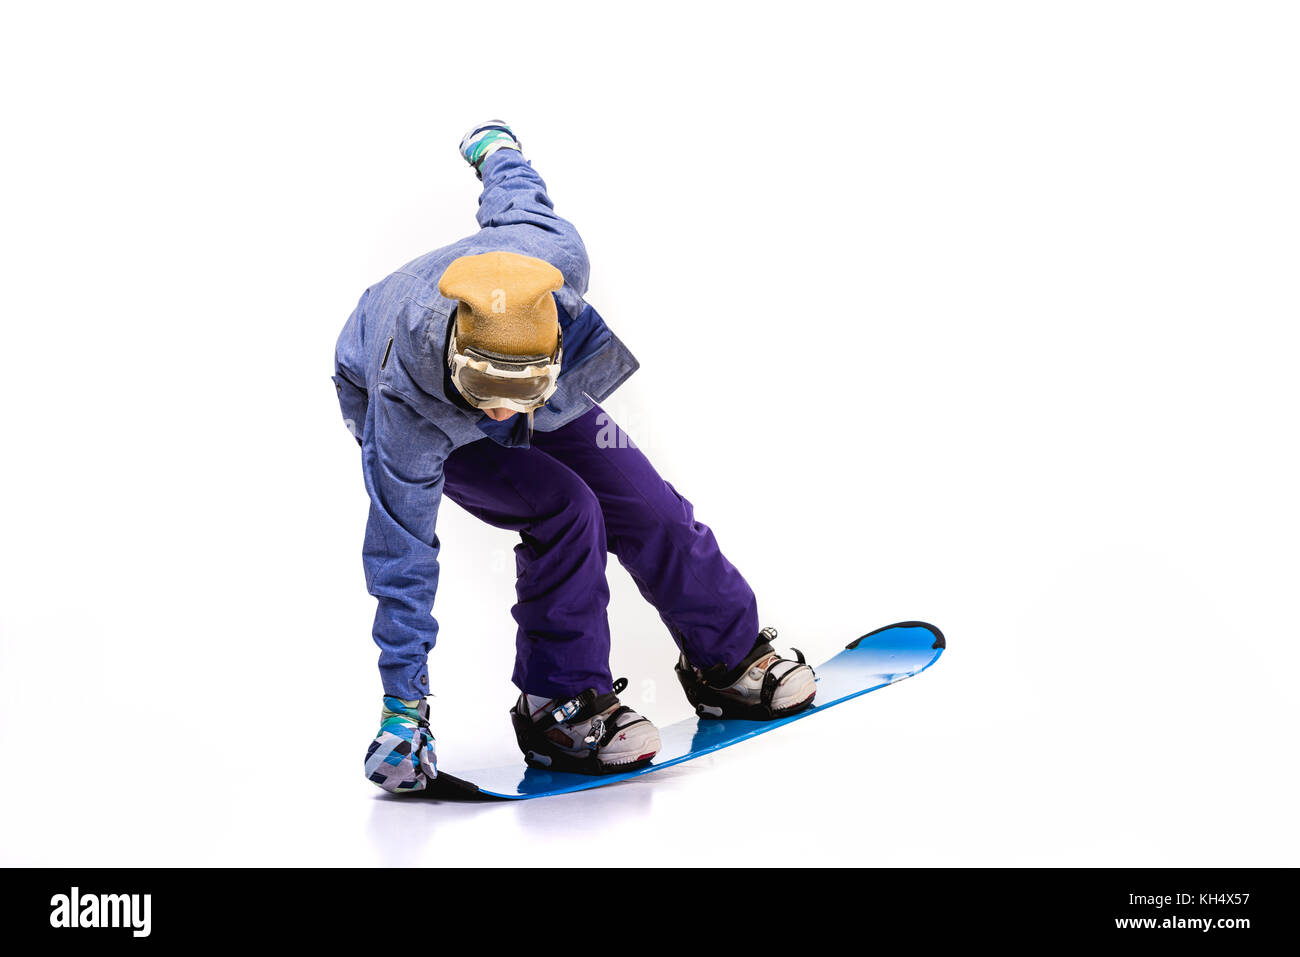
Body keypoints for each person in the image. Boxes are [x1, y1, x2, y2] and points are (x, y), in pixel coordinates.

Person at [333, 121, 816, 794]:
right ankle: (556, 707)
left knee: (645, 502)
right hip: (424, 399)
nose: (502, 416)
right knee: (566, 509)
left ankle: (729, 660)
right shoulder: (406, 408)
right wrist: (403, 707)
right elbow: (401, 556)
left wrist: (495, 148)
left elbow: (517, 194)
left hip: (538, 377)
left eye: (517, 394)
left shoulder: (555, 257)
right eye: (489, 396)